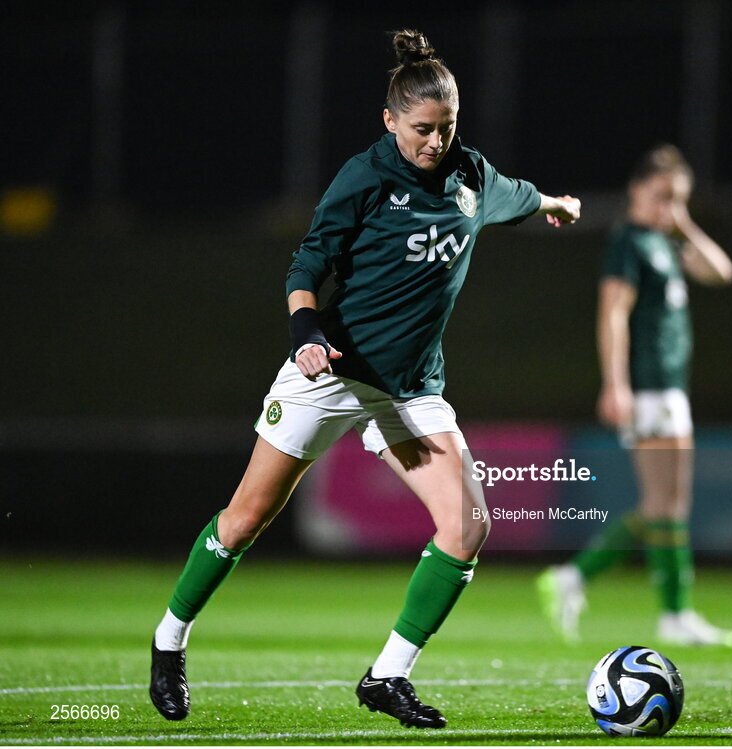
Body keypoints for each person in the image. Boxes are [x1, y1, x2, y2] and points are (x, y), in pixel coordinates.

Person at [148, 29, 581, 728]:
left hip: (411, 389)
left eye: (446, 128)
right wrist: (307, 335)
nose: (434, 143)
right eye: (421, 130)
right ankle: (169, 639)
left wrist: (555, 203)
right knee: (245, 519)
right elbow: (305, 267)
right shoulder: (367, 177)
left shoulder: (470, 175)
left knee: (468, 525)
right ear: (389, 121)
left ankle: (386, 675)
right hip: (333, 373)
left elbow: (518, 195)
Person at [537, 144, 732, 647]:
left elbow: (721, 271)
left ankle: (602, 587)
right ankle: (651, 604)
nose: (668, 206)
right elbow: (612, 313)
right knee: (661, 502)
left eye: (677, 198)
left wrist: (683, 224)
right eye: (661, 195)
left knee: (669, 504)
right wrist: (616, 383)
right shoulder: (629, 241)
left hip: (671, 387)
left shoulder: (664, 242)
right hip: (647, 387)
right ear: (636, 191)